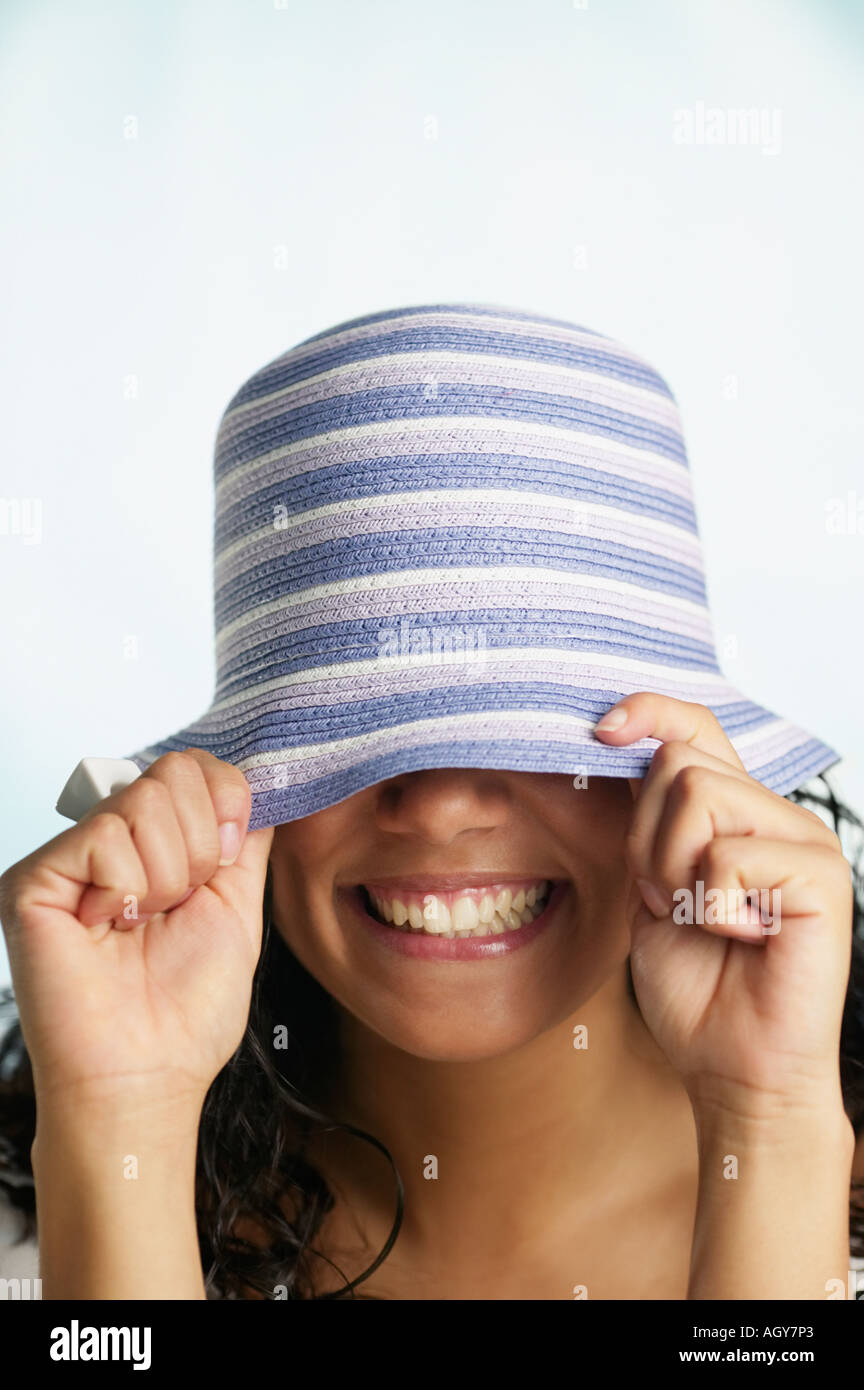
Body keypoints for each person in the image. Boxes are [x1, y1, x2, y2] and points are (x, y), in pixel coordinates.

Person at [1, 303, 862, 1300]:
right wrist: (116, 1125)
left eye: (532, 730)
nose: (443, 808)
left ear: (684, 773)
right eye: (347, 726)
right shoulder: (49, 1203)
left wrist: (772, 1125)